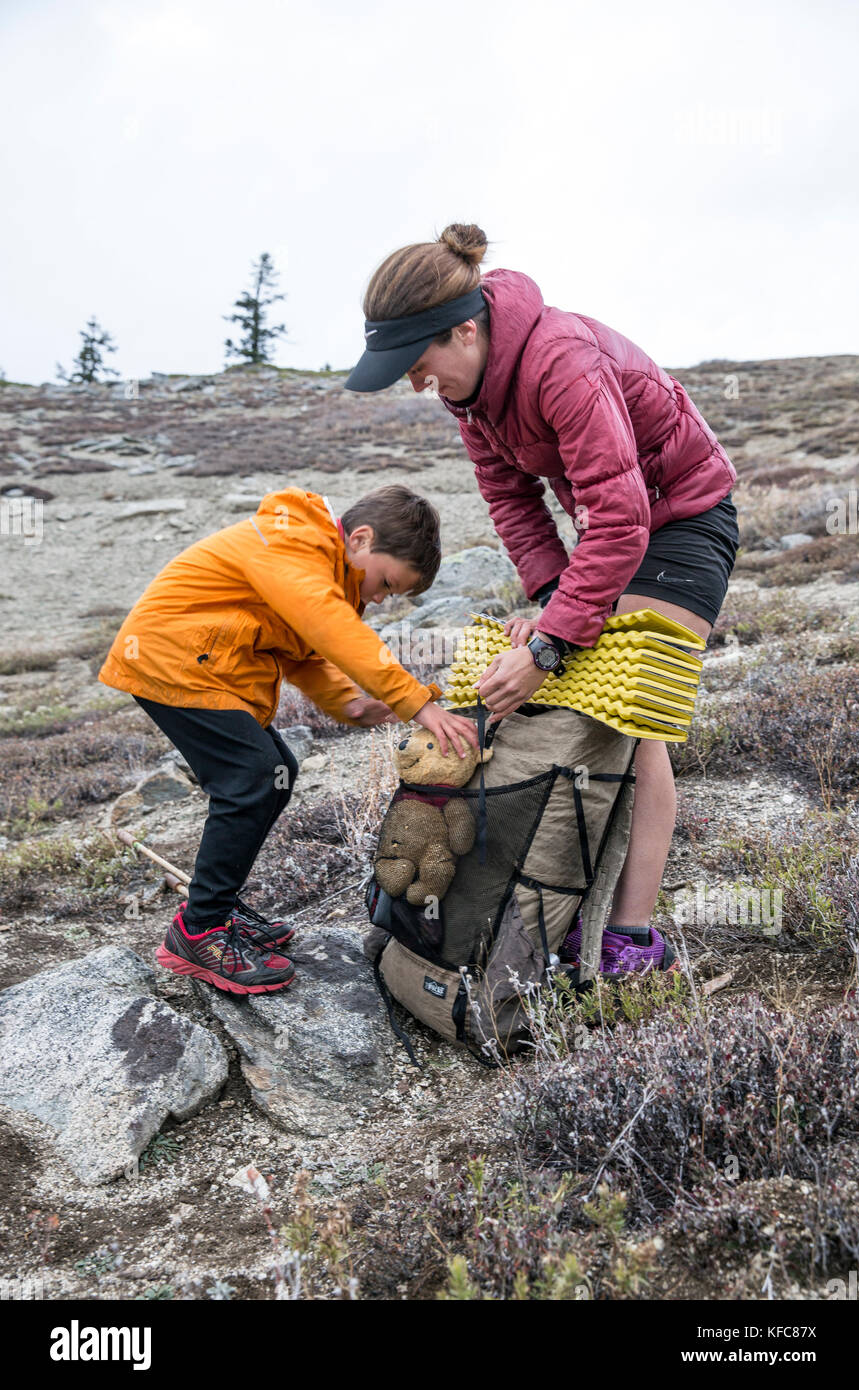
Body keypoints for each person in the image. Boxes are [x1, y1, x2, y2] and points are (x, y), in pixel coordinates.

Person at [344, 224, 739, 975]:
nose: (420, 387)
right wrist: (556, 600)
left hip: (684, 520)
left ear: (465, 330)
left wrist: (552, 644)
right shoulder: (474, 401)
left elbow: (622, 515)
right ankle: (564, 908)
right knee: (590, 705)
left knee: (625, 713)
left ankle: (630, 938)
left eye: (420, 366)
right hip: (614, 529)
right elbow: (517, 508)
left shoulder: (559, 360)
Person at [99, 484, 478, 994]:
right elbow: (329, 627)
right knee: (253, 777)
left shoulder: (325, 572)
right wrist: (417, 702)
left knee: (277, 772)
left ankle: (216, 909)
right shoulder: (296, 542)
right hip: (172, 662)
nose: (383, 598)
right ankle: (198, 932)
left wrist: (349, 703)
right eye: (386, 582)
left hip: (206, 671)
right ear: (361, 538)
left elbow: (303, 651)